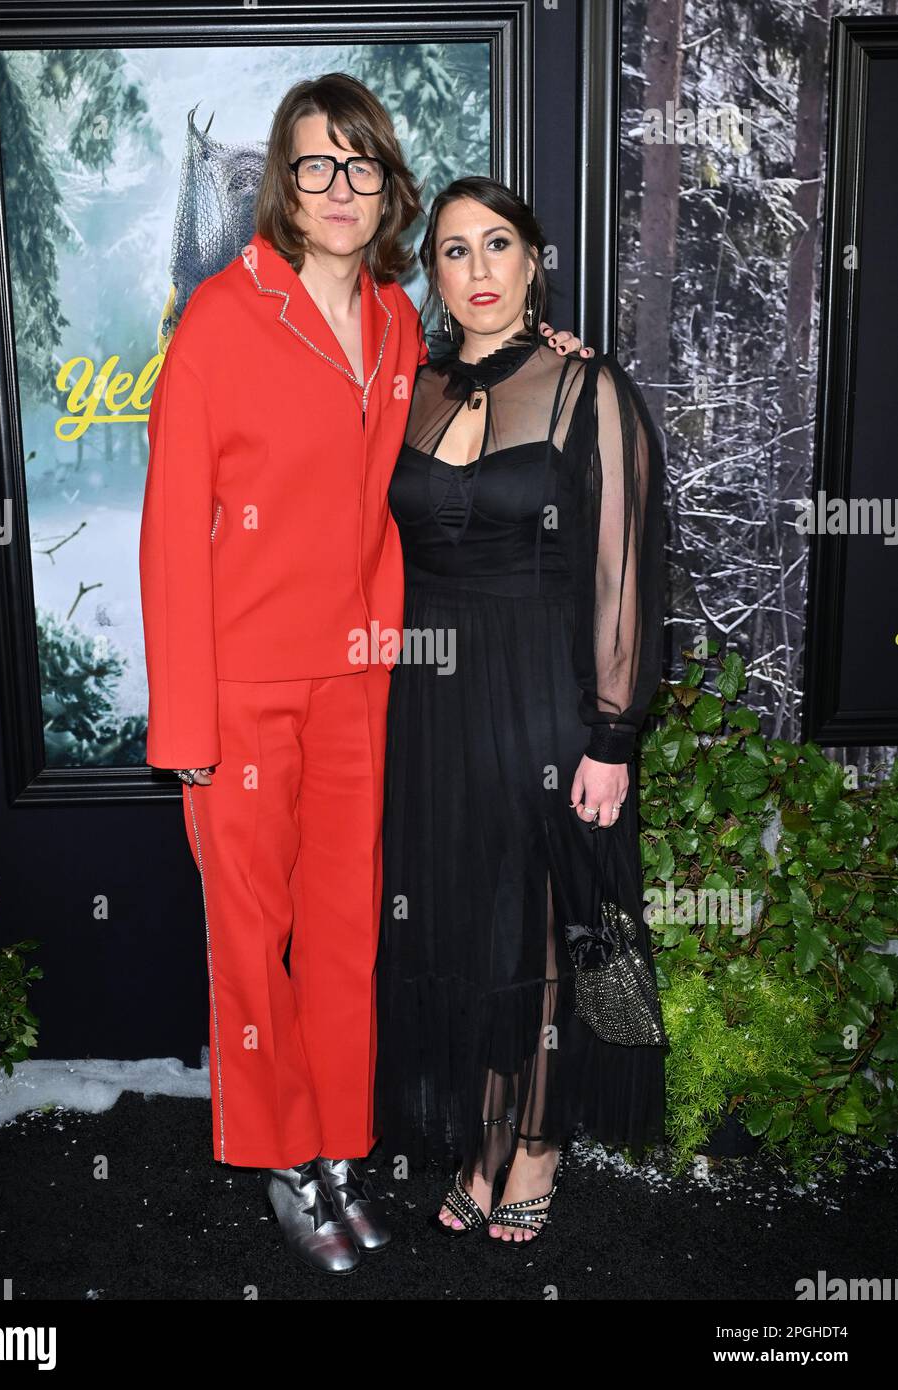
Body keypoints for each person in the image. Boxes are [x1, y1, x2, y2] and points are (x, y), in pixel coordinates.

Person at [138, 75, 587, 1275]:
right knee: (253, 934)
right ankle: (280, 1155)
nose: (339, 189)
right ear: (282, 186)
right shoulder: (221, 320)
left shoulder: (396, 319)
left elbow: (466, 398)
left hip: (358, 686)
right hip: (238, 691)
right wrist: (183, 717)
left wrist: (550, 348)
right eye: (312, 167)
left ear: (386, 180)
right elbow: (171, 525)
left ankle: (338, 1143)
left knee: (345, 930)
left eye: (360, 166)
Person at [374, 176, 671, 1245]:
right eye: (453, 251)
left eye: (498, 244)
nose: (479, 269)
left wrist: (613, 732)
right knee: (467, 916)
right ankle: (485, 1130)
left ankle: (540, 1137)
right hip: (432, 705)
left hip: (547, 697)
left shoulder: (589, 387)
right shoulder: (410, 386)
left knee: (553, 923)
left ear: (535, 258)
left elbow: (624, 567)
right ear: (435, 275)